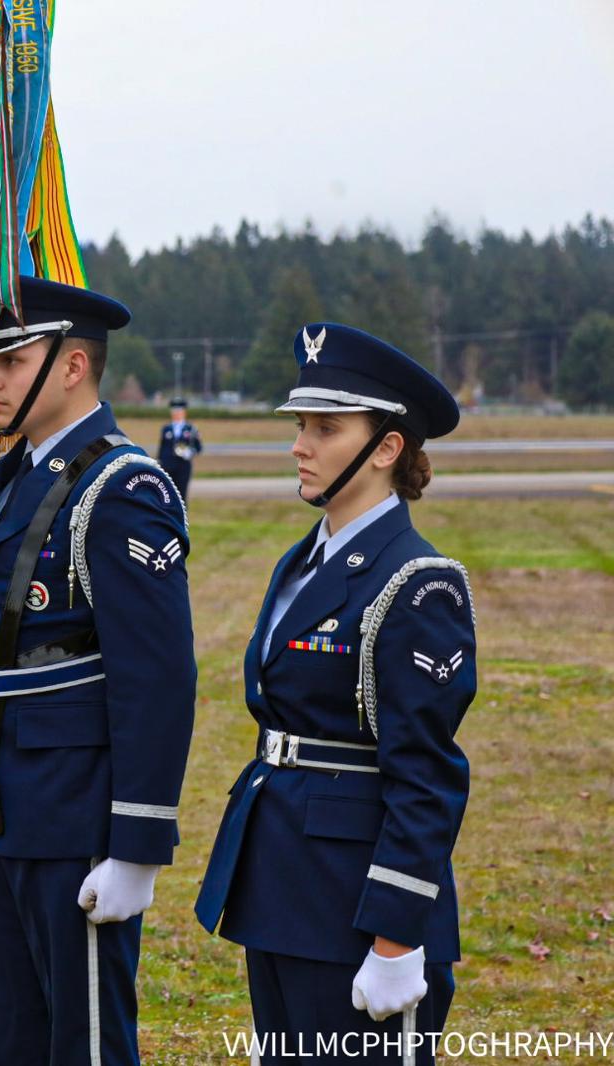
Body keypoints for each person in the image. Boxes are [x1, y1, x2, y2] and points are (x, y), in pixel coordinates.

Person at [0, 277, 197, 1065]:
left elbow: (157, 680)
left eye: (11, 360)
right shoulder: (7, 478)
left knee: (81, 1042)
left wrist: (138, 843)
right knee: (14, 1037)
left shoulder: (123, 488)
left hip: (73, 814)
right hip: (1, 806)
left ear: (73, 365)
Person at [194, 323, 476, 1066]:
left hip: (354, 901)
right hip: (284, 882)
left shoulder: (418, 583)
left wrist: (395, 934)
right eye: (300, 425)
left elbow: (426, 777)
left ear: (386, 447)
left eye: (326, 427)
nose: (300, 444)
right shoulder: (304, 562)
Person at [155, 397, 202, 498]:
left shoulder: (191, 429)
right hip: (167, 466)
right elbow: (162, 447)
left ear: (184, 412)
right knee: (167, 495)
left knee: (181, 495)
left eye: (179, 411)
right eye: (174, 411)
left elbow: (198, 447)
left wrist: (190, 452)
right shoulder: (166, 429)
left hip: (183, 466)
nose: (176, 413)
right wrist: (159, 461)